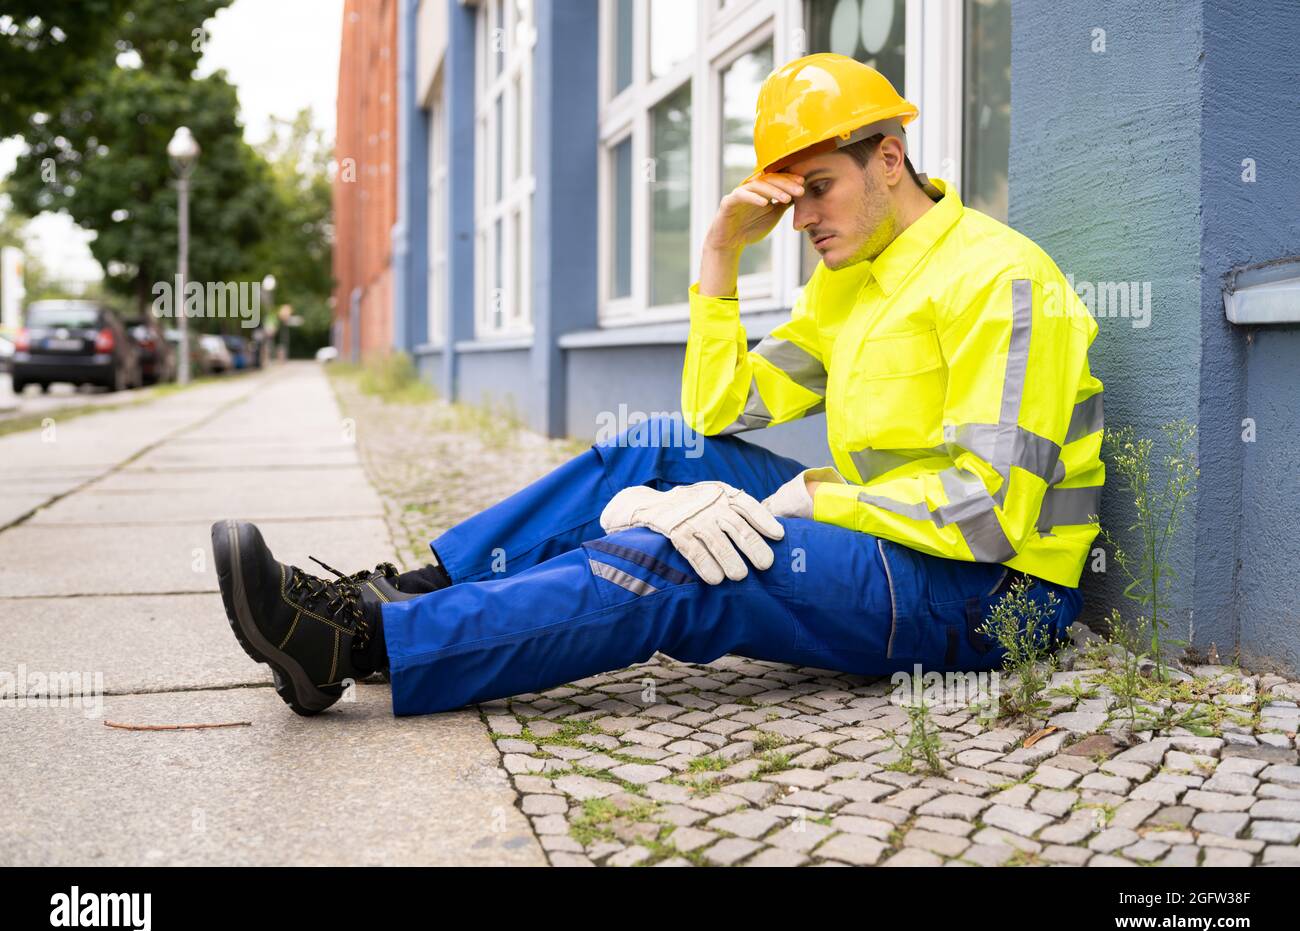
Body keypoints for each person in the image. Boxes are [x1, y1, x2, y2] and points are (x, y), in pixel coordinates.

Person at [212, 52, 1104, 718]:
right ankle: (397, 592)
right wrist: (717, 257)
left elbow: (984, 512)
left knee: (692, 558)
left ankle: (361, 646)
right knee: (660, 450)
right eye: (794, 203)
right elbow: (720, 412)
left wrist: (804, 499)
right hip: (887, 529)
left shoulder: (999, 280)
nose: (806, 222)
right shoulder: (851, 282)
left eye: (820, 190)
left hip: (992, 598)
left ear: (891, 160)